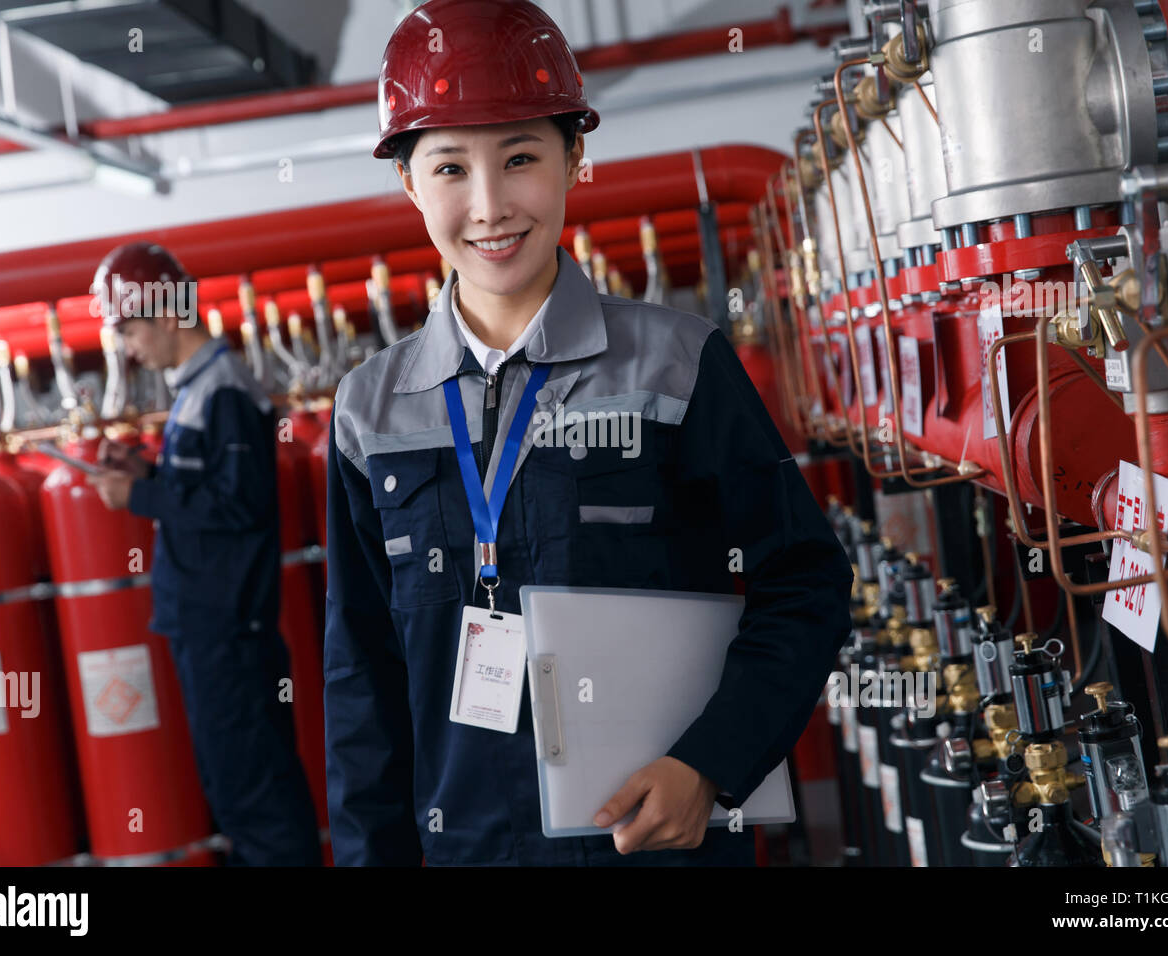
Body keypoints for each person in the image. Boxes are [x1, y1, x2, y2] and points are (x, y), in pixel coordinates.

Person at [324, 0, 853, 866]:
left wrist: (708, 765)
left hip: (654, 847)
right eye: (451, 168)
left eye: (522, 158)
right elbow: (362, 676)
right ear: (409, 183)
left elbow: (805, 584)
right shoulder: (367, 412)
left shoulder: (679, 366)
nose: (490, 206)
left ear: (575, 157)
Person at [87, 240, 321, 866]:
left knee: (256, 794)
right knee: (234, 790)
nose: (127, 346)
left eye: (129, 328)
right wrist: (148, 472)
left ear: (167, 315)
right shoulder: (195, 392)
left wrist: (139, 495)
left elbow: (239, 508)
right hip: (207, 627)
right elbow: (209, 490)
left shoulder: (223, 392)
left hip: (229, 632)